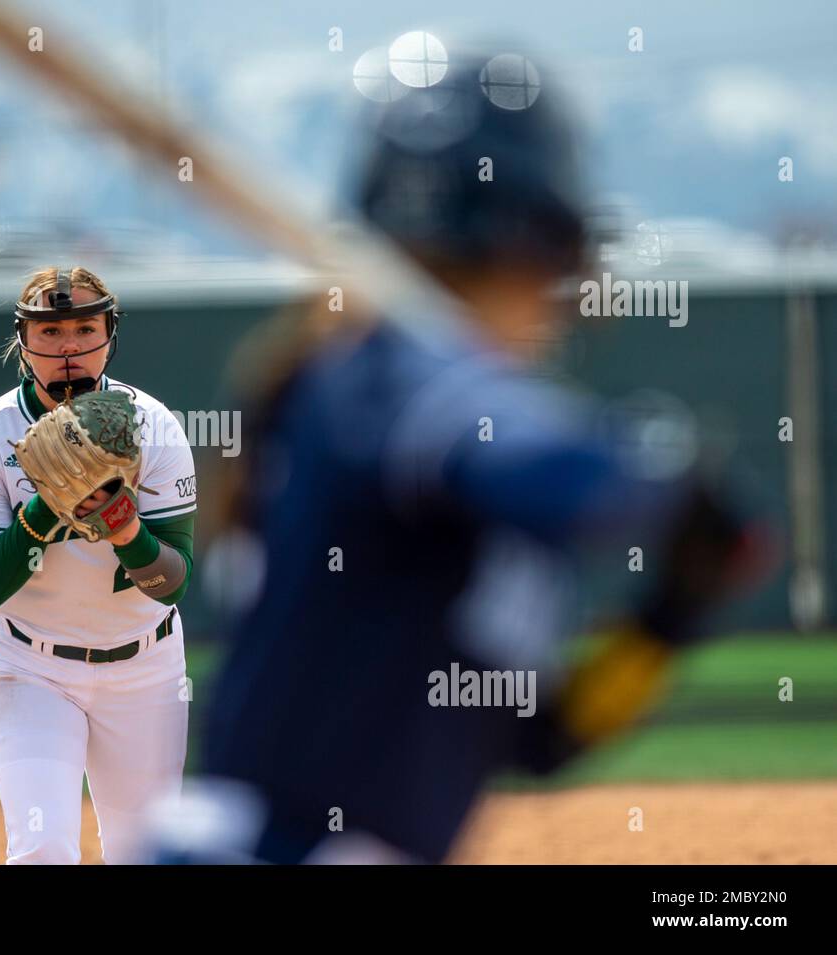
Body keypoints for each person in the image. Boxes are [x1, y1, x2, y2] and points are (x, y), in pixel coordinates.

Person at [156, 48, 771, 864]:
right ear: (535, 240)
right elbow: (566, 476)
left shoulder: (430, 439)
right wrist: (662, 476)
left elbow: (543, 737)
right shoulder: (377, 380)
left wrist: (669, 618)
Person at [0, 266, 198, 863]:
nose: (68, 347)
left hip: (146, 665)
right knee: (43, 848)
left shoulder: (155, 428)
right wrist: (43, 507)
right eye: (50, 331)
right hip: (26, 661)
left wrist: (123, 526)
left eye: (85, 327)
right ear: (23, 340)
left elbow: (170, 583)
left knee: (147, 854)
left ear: (110, 333)